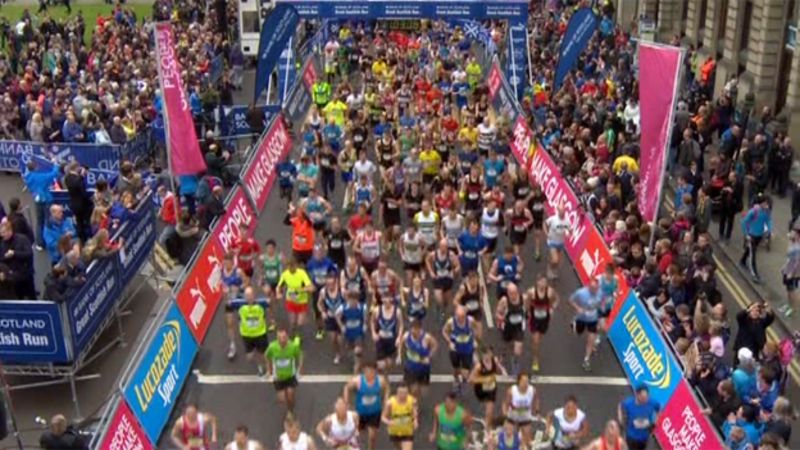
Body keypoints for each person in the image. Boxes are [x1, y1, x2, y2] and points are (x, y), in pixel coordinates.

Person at [343, 363, 388, 450]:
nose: (369, 374)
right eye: (367, 371)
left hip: (375, 412)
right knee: (357, 435)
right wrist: (346, 402)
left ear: (375, 372)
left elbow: (387, 388)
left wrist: (386, 400)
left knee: (372, 436)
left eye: (371, 371)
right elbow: (346, 388)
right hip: (360, 413)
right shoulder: (358, 380)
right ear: (364, 372)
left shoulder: (380, 380)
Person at [22, 159, 60, 250]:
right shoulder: (41, 177)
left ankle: (40, 243)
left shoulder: (27, 177)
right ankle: (49, 241)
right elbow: (53, 174)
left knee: (39, 222)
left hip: (37, 200)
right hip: (46, 199)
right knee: (47, 221)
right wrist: (55, 164)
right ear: (35, 168)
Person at [234, 286, 270, 376]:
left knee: (263, 353)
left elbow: (270, 301)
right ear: (244, 296)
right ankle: (260, 365)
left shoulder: (262, 303)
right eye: (247, 295)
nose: (249, 297)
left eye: (251, 295)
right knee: (249, 357)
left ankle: (268, 368)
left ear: (254, 295)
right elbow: (228, 303)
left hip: (260, 333)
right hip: (246, 335)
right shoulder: (239, 304)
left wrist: (268, 293)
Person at [265, 327, 303, 411]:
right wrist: (269, 369)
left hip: (290, 376)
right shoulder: (272, 347)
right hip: (278, 377)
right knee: (282, 400)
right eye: (280, 338)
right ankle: (288, 405)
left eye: (284, 337)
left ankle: (290, 411)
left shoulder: (293, 346)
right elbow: (267, 357)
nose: (282, 340)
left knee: (290, 396)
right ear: (277, 338)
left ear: (288, 337)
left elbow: (300, 356)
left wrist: (300, 368)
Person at [527, 274, 559, 372]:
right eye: (541, 282)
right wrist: (528, 312)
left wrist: (552, 308)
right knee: (536, 340)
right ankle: (535, 359)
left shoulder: (550, 292)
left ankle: (535, 347)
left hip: (545, 318)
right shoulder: (531, 292)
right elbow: (527, 303)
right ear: (537, 282)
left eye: (545, 282)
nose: (543, 284)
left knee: (539, 337)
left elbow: (556, 299)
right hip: (534, 318)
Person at [469, 346, 507, 429]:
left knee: (489, 411)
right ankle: (489, 422)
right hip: (481, 389)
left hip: (491, 389)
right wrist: (484, 379)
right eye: (484, 354)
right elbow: (471, 379)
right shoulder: (479, 366)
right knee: (486, 409)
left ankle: (487, 429)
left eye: (488, 354)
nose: (486, 356)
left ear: (491, 354)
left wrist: (501, 371)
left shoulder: (495, 361)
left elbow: (498, 371)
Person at [569, 279, 602, 371]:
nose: (594, 290)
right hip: (581, 318)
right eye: (592, 288)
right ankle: (574, 322)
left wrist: (599, 320)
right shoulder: (581, 293)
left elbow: (600, 306)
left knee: (591, 339)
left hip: (593, 319)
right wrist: (578, 308)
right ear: (588, 287)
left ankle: (586, 360)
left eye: (595, 288)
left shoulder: (600, 293)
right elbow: (571, 300)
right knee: (578, 333)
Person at [400, 319, 437, 398]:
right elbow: (400, 343)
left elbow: (435, 345)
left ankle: (416, 401)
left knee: (424, 391)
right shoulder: (407, 336)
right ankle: (414, 405)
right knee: (413, 390)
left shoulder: (427, 337)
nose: (413, 331)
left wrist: (429, 356)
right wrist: (399, 355)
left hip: (423, 367)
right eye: (412, 329)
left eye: (415, 329)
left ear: (420, 329)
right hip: (411, 367)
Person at [442, 305, 478, 388]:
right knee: (456, 369)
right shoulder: (451, 322)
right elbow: (444, 331)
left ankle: (464, 381)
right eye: (458, 316)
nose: (460, 318)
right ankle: (456, 379)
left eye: (462, 316)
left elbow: (476, 328)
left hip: (467, 349)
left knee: (465, 373)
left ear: (465, 315)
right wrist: (449, 342)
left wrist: (474, 340)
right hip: (455, 349)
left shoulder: (470, 321)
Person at [739, 197, 772, 283]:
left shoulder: (767, 212)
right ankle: (754, 275)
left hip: (759, 236)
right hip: (751, 236)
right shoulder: (754, 211)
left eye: (767, 204)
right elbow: (744, 222)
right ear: (761, 203)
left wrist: (769, 230)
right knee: (753, 255)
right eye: (765, 203)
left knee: (750, 250)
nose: (767, 205)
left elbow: (768, 221)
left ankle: (742, 261)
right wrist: (746, 234)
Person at [495, 283, 527, 375]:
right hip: (507, 327)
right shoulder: (504, 301)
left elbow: (528, 308)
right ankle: (501, 358)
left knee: (517, 350)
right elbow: (497, 314)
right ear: (507, 293)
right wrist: (501, 318)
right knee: (505, 345)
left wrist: (526, 315)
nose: (513, 295)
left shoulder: (523, 298)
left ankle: (515, 369)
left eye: (515, 292)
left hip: (518, 327)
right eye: (511, 293)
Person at [277, 258, 315, 333]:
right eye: (289, 267)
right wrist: (278, 293)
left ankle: (298, 336)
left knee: (300, 323)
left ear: (296, 266)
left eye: (292, 266)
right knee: (293, 322)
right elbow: (279, 286)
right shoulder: (285, 274)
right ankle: (293, 333)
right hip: (291, 300)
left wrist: (301, 290)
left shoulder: (302, 273)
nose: (290, 269)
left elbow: (311, 287)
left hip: (302, 301)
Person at [0, 221, 35, 299]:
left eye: (3, 232)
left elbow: (29, 253)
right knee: (19, 297)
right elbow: (1, 259)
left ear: (10, 231)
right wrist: (5, 257)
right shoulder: (2, 244)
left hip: (26, 274)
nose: (2, 235)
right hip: (14, 277)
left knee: (31, 296)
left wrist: (15, 253)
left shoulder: (22, 239)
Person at [426, 238, 460, 319]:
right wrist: (431, 272)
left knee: (446, 300)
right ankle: (439, 307)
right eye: (442, 246)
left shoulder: (451, 255)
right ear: (439, 246)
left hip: (448, 279)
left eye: (445, 247)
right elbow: (427, 260)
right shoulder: (434, 254)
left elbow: (458, 265)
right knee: (439, 298)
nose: (443, 248)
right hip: (438, 279)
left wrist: (455, 271)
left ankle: (443, 310)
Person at [733, 301, 774, 365]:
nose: (755, 312)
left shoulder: (761, 323)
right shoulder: (744, 320)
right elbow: (739, 316)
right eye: (753, 310)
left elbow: (770, 318)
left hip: (753, 353)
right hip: (741, 351)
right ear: (749, 312)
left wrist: (768, 309)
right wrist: (749, 308)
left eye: (757, 311)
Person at [503, 373, 539, 445]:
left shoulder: (532, 390)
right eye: (523, 381)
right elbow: (505, 403)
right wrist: (505, 415)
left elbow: (536, 399)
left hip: (525, 416)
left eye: (527, 381)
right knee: (510, 439)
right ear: (518, 381)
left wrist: (537, 411)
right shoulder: (511, 391)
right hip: (513, 415)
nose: (525, 383)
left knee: (527, 441)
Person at [371, 292, 404, 372]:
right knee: (380, 365)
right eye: (384, 299)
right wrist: (373, 333)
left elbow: (401, 325)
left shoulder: (397, 311)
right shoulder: (377, 310)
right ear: (382, 300)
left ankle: (385, 378)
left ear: (391, 299)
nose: (386, 301)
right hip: (381, 340)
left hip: (391, 340)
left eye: (388, 298)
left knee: (388, 364)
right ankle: (381, 379)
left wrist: (399, 337)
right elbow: (372, 321)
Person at [337, 290, 368, 372]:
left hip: (358, 331)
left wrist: (365, 324)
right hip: (348, 331)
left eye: (355, 300)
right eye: (351, 300)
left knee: (358, 349)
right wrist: (341, 326)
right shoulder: (342, 308)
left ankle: (357, 366)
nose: (353, 302)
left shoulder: (363, 307)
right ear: (347, 299)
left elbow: (365, 316)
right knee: (349, 348)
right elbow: (337, 316)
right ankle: (355, 358)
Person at [319, 272, 345, 364]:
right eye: (328, 284)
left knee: (340, 339)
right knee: (333, 339)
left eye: (332, 284)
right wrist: (323, 312)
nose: (330, 286)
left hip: (342, 318)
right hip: (330, 318)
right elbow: (319, 303)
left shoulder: (342, 291)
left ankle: (342, 350)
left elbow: (348, 302)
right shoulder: (323, 292)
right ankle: (337, 354)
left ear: (336, 282)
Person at [382, 383, 418, 450]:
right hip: (394, 431)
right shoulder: (390, 403)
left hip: (407, 431)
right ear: (397, 393)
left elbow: (414, 412)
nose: (403, 395)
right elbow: (383, 417)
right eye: (401, 393)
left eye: (405, 393)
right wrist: (389, 422)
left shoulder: (412, 400)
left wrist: (415, 420)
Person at [544, 204, 570, 279]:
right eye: (561, 212)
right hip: (552, 241)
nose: (562, 213)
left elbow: (569, 229)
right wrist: (546, 233)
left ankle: (552, 268)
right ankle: (549, 268)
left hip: (561, 243)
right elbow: (545, 224)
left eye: (564, 212)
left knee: (558, 262)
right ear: (558, 211)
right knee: (555, 260)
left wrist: (568, 233)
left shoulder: (567, 221)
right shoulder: (553, 219)